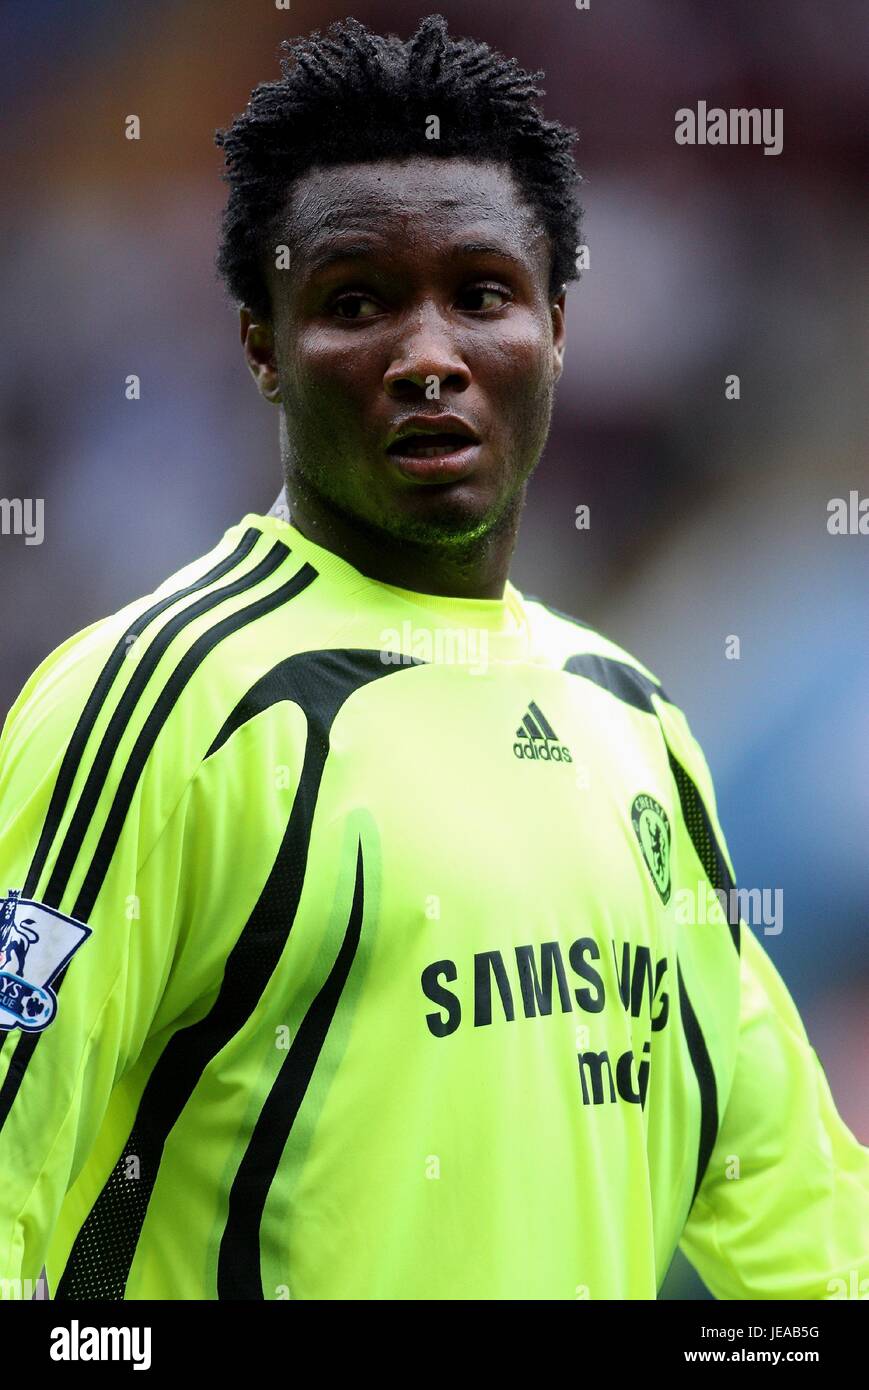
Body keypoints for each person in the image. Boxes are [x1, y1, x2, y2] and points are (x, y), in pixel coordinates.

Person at [0, 14, 866, 1301]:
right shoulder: (155, 703)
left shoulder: (632, 724)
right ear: (261, 345)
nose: (426, 360)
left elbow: (791, 1218)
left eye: (480, 294)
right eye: (355, 302)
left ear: (556, 327)